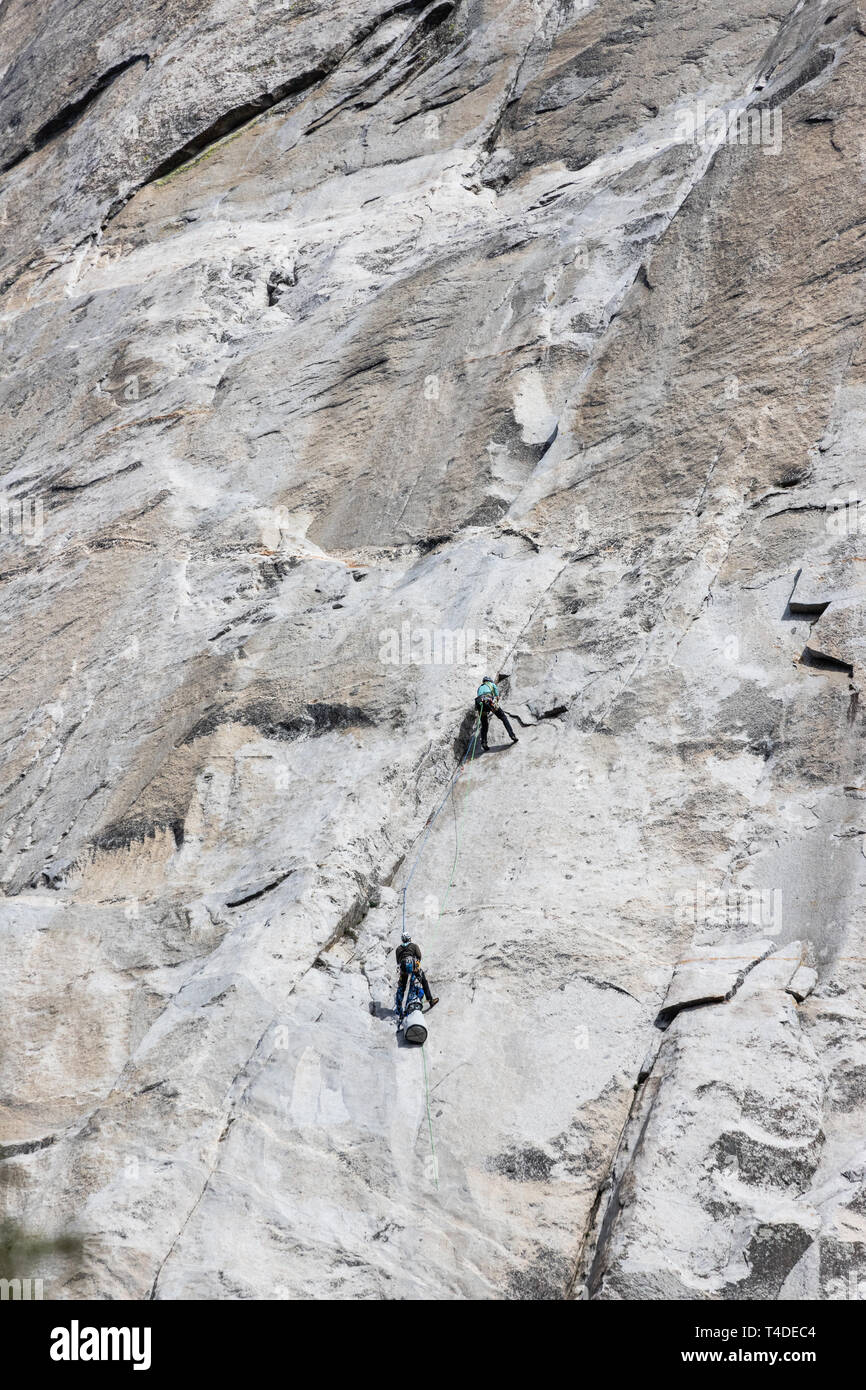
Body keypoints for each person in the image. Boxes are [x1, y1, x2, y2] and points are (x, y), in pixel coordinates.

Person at [394, 932, 438, 1016]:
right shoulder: (414, 946)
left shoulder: (398, 949)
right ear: (409, 938)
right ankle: (430, 1001)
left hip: (403, 970)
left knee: (401, 988)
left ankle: (399, 1010)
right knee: (424, 982)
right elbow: (419, 956)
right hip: (414, 968)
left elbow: (398, 961)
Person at [474, 676, 518, 752]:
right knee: (503, 717)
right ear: (490, 681)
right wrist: (494, 707)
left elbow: (479, 697)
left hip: (479, 703)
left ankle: (484, 742)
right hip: (489, 700)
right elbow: (497, 697)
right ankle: (512, 735)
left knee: (484, 725)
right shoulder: (492, 684)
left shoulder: (479, 688)